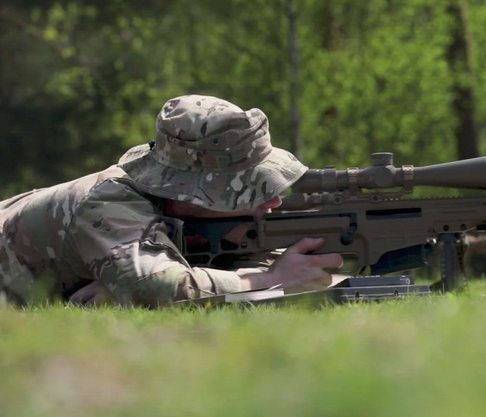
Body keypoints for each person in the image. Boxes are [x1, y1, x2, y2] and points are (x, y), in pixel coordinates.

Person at [0, 94, 344, 307]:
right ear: (189, 192)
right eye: (249, 188)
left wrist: (121, 287)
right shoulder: (108, 202)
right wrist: (268, 281)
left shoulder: (183, 213)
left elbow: (159, 278)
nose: (272, 202)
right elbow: (155, 286)